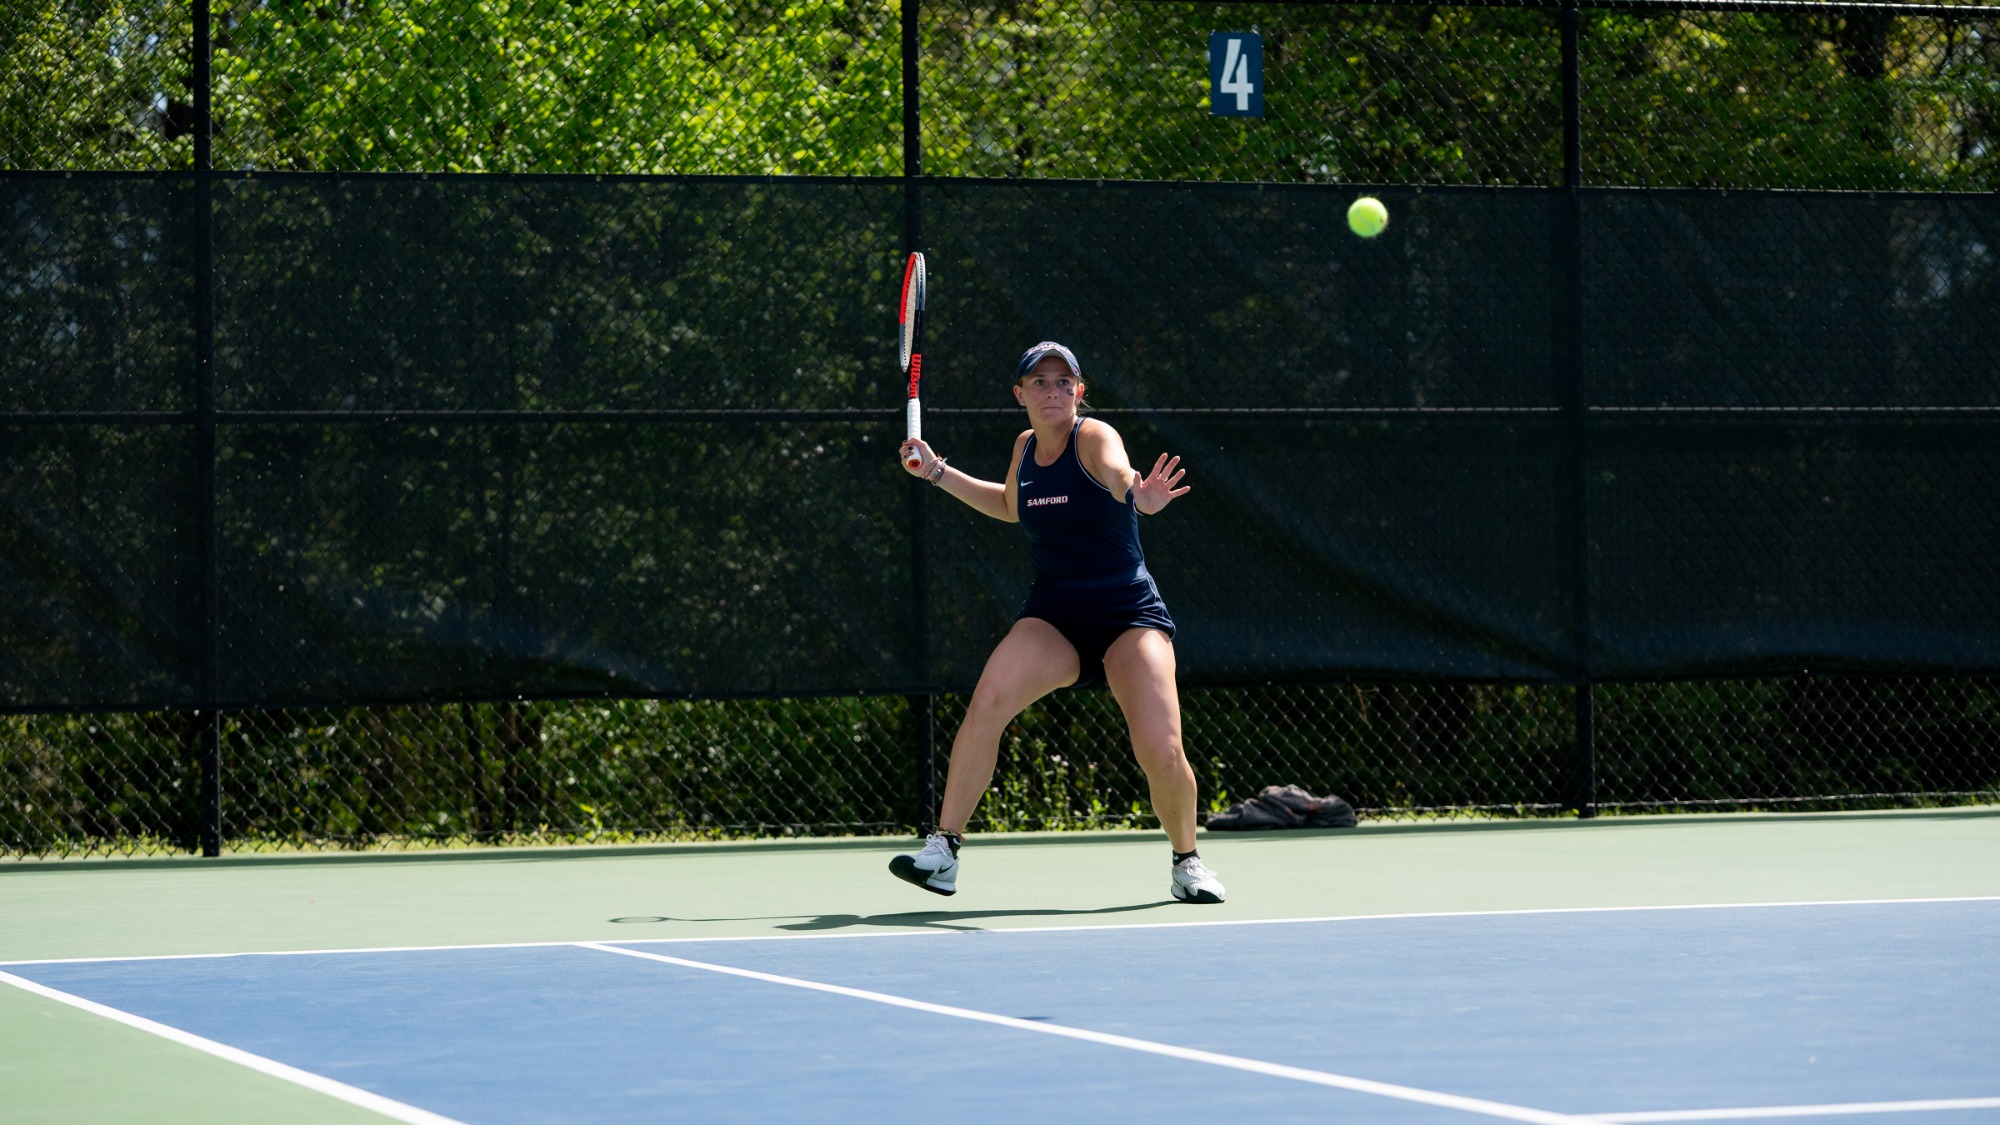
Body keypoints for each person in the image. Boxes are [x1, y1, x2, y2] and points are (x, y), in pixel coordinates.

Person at [890, 341, 1226, 904]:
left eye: (1063, 381)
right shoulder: (1025, 447)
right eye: (1039, 383)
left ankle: (1186, 860)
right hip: (1055, 614)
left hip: (1127, 616)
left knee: (1162, 748)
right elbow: (1009, 507)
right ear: (1020, 395)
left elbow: (1121, 476)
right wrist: (937, 472)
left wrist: (1139, 496)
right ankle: (943, 852)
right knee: (988, 702)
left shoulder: (1094, 438)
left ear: (1079, 392)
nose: (1053, 391)